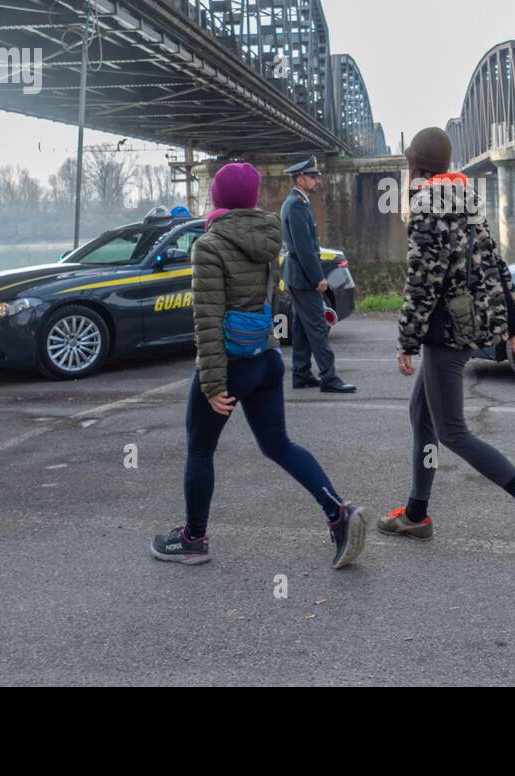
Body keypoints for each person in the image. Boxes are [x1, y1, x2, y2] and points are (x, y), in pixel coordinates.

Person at [151, 161, 369, 569]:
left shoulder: (210, 245)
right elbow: (268, 301)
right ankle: (339, 513)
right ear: (251, 197)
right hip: (266, 358)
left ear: (218, 197)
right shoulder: (268, 237)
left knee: (200, 449)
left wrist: (214, 383)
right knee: (280, 445)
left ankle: (193, 539)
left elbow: (208, 317)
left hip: (229, 363)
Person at [378, 126, 515, 559]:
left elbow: (422, 283)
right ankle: (416, 514)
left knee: (453, 432)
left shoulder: (427, 205)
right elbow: (497, 266)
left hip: (447, 330)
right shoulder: (467, 201)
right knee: (421, 413)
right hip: (469, 323)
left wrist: (406, 340)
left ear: (415, 166)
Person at [279, 155, 355, 393]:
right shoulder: (297, 206)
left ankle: (301, 374)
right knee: (318, 327)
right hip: (304, 279)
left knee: (302, 326)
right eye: (312, 177)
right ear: (300, 179)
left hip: (298, 278)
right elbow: (305, 250)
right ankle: (329, 378)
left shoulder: (296, 203)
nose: (316, 180)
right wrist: (318, 278)